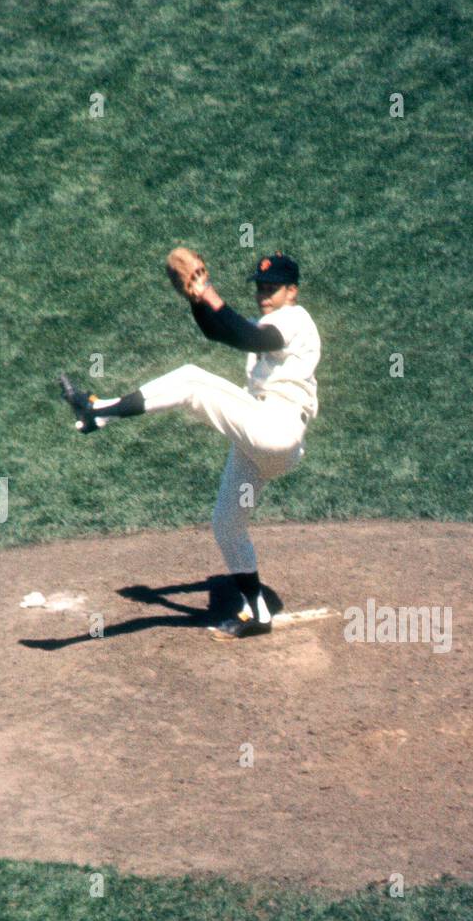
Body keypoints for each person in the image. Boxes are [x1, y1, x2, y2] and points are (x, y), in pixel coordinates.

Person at [60, 250, 321, 640]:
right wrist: (195, 300)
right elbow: (221, 332)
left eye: (272, 288)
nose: (264, 294)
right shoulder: (267, 321)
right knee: (227, 525)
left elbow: (249, 337)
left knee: (191, 380)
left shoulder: (295, 320)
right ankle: (258, 611)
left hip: (277, 428)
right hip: (261, 440)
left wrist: (208, 291)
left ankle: (99, 412)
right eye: (260, 287)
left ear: (292, 291)